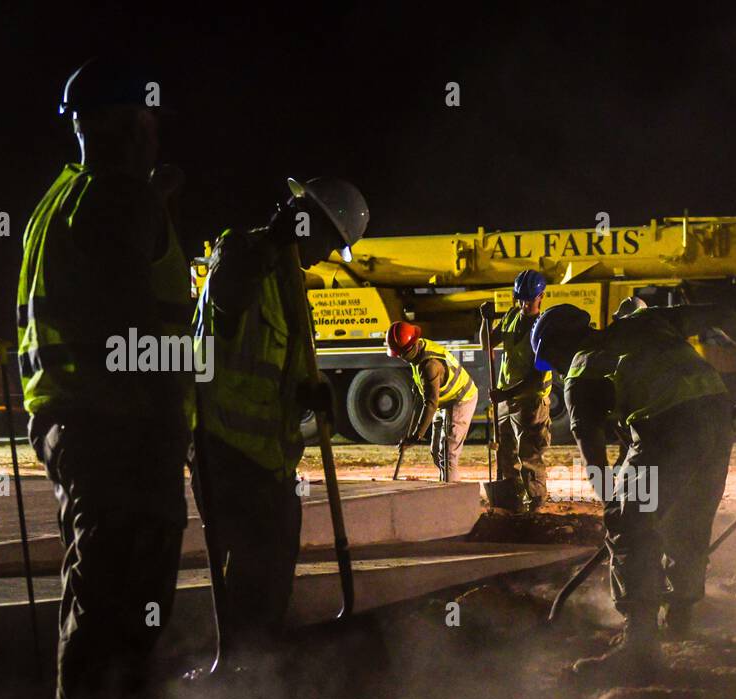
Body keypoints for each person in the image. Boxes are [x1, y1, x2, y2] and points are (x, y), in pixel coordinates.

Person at [17, 58, 192, 699]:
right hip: (124, 431)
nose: (155, 133)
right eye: (147, 120)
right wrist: (173, 411)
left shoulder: (62, 200)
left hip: (75, 424)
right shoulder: (122, 198)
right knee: (124, 599)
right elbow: (131, 321)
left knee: (96, 590)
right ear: (125, 124)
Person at [194, 176, 369, 648]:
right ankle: (242, 665)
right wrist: (275, 238)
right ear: (304, 221)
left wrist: (307, 395)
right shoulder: (243, 254)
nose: (325, 255)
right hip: (225, 453)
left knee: (270, 569)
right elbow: (228, 303)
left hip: (268, 461)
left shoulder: (292, 287)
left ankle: (258, 663)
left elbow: (272, 371)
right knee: (256, 569)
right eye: (328, 243)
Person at [531, 302, 736, 677]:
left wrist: (616, 505)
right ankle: (680, 616)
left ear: (560, 346)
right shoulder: (646, 321)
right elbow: (722, 314)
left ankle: (640, 644)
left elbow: (592, 450)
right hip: (716, 419)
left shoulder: (582, 369)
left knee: (631, 524)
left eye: (553, 360)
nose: (557, 368)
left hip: (668, 428)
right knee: (689, 522)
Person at [481, 269, 552, 510]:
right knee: (506, 454)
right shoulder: (512, 316)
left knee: (529, 455)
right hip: (506, 401)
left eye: (529, 299)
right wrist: (485, 321)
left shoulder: (543, 329)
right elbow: (487, 343)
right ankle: (512, 501)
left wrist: (506, 394)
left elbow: (536, 377)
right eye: (520, 298)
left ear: (541, 296)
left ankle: (536, 501)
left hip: (530, 404)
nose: (524, 304)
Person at [390, 322, 478, 481]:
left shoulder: (430, 365)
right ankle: (446, 482)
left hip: (460, 398)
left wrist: (417, 436)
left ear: (411, 348)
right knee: (437, 451)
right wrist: (412, 434)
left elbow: (430, 404)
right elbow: (422, 400)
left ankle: (451, 497)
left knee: (447, 453)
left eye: (401, 354)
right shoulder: (417, 349)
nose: (401, 358)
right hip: (443, 400)